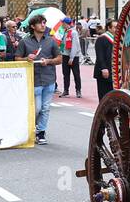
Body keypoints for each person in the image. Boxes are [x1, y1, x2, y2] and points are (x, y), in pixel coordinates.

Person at [16, 13, 62, 143]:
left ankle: (41, 132)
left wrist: (48, 61)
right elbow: (17, 58)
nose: (43, 25)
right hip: (33, 79)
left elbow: (59, 59)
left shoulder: (51, 41)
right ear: (32, 26)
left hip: (49, 78)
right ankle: (33, 127)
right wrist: (27, 58)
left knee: (46, 107)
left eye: (44, 23)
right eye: (40, 23)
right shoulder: (24, 41)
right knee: (37, 108)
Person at [59, 17, 83, 97]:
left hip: (73, 56)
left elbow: (75, 46)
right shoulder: (65, 32)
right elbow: (63, 43)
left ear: (66, 23)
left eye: (63, 23)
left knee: (76, 74)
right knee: (66, 74)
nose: (62, 24)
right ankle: (66, 90)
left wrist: (72, 57)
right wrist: (60, 51)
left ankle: (78, 90)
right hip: (65, 55)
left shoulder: (73, 32)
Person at [94, 19, 116, 100]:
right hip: (104, 72)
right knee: (104, 96)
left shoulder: (117, 39)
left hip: (113, 72)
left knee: (113, 96)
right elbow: (100, 55)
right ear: (109, 28)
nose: (117, 29)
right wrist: (103, 68)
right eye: (115, 27)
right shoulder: (102, 38)